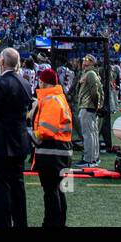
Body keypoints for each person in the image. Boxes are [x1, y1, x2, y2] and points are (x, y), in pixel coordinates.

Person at [0, 47, 33, 228]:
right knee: (18, 187)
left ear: (2, 62)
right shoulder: (24, 83)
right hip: (19, 140)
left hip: (1, 143)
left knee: (1, 189)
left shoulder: (0, 83)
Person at [33, 67, 73, 227]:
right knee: (58, 190)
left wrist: (30, 136)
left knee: (51, 192)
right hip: (61, 151)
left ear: (44, 82)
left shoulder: (51, 100)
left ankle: (51, 223)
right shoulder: (58, 97)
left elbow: (46, 131)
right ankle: (59, 223)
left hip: (52, 153)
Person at [74, 56, 103, 168]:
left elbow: (95, 92)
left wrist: (95, 106)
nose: (83, 61)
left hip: (87, 107)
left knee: (88, 134)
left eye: (86, 60)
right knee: (92, 133)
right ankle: (94, 157)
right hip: (89, 107)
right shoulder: (89, 73)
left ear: (92, 63)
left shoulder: (90, 74)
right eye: (84, 59)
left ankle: (88, 159)